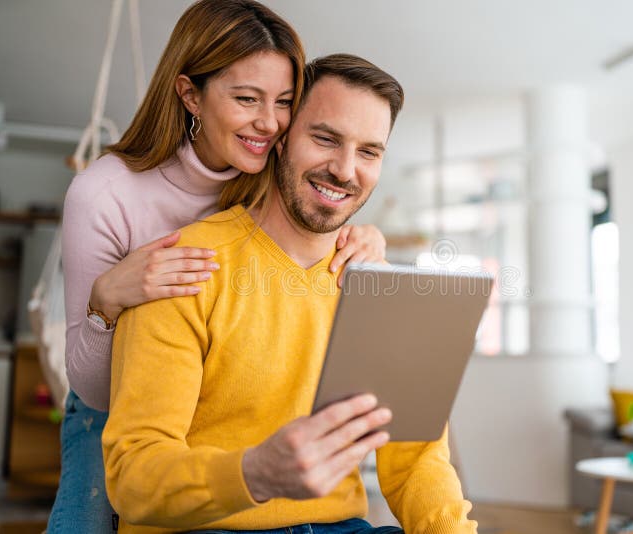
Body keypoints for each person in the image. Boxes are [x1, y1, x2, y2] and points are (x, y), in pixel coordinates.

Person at [103, 53, 478, 534]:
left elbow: (416, 461)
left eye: (369, 151)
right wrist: (254, 473)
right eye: (325, 139)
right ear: (279, 140)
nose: (345, 170)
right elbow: (133, 477)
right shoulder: (184, 265)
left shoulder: (382, 290)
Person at [50, 2, 385, 533]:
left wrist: (363, 238)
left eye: (283, 102)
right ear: (190, 95)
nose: (269, 123)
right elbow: (94, 388)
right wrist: (106, 300)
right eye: (247, 99)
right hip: (109, 404)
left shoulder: (264, 172)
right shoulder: (103, 194)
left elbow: (324, 206)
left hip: (204, 408)